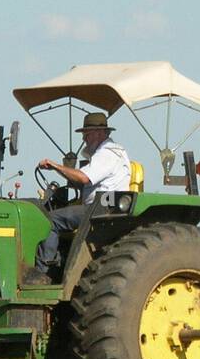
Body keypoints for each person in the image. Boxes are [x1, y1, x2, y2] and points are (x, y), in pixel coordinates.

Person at [34, 111, 131, 277]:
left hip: (103, 206)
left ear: (100, 133)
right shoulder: (105, 154)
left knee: (49, 220)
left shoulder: (108, 153)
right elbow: (83, 181)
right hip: (100, 204)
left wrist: (56, 166)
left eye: (87, 133)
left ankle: (42, 273)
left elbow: (84, 178)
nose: (83, 138)